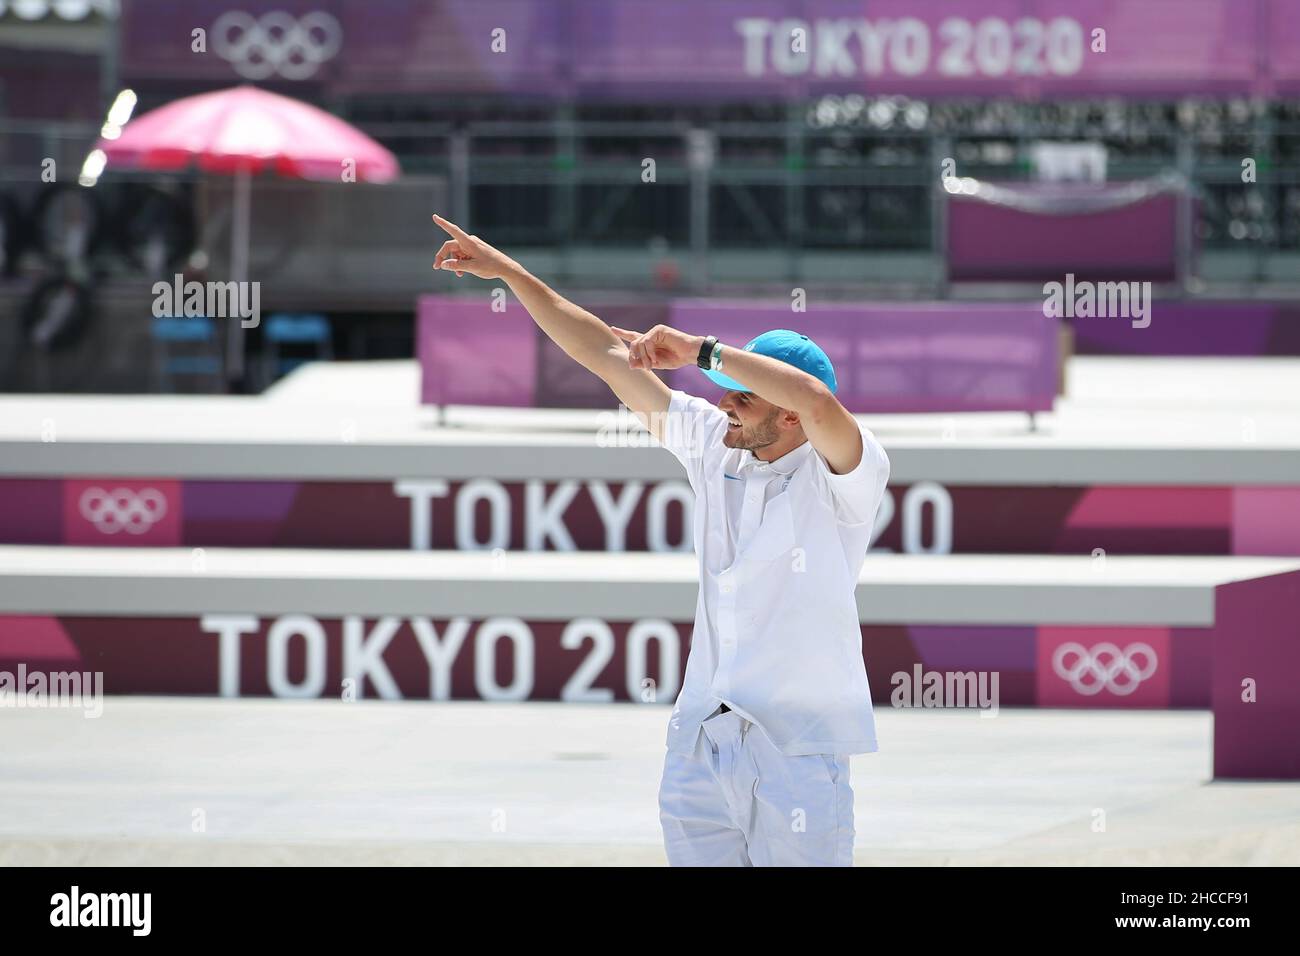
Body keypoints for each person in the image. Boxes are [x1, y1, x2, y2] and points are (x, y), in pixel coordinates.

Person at [432, 214, 890, 866]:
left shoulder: (846, 477)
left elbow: (818, 399)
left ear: (787, 416)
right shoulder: (713, 445)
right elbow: (601, 353)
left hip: (798, 753)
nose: (727, 405)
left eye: (745, 400)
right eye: (727, 395)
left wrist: (702, 351)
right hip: (701, 745)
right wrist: (507, 271)